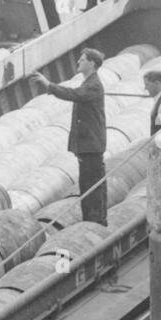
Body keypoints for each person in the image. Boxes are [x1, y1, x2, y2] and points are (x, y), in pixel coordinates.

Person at [30, 49, 107, 227]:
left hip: (91, 145)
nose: (78, 60)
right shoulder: (89, 82)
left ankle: (95, 223)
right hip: (88, 145)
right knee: (88, 185)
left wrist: (48, 85)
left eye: (83, 58)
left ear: (92, 64)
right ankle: (93, 221)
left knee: (92, 187)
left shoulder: (93, 84)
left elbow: (74, 95)